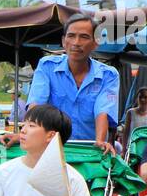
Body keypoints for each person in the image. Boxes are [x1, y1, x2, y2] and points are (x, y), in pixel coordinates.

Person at [25, 13, 120, 147]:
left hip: (88, 150)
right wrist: (26, 133)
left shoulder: (109, 75)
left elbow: (102, 112)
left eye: (84, 37)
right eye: (71, 36)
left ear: (96, 42)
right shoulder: (47, 66)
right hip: (49, 147)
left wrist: (99, 142)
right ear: (64, 41)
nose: (76, 43)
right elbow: (36, 105)